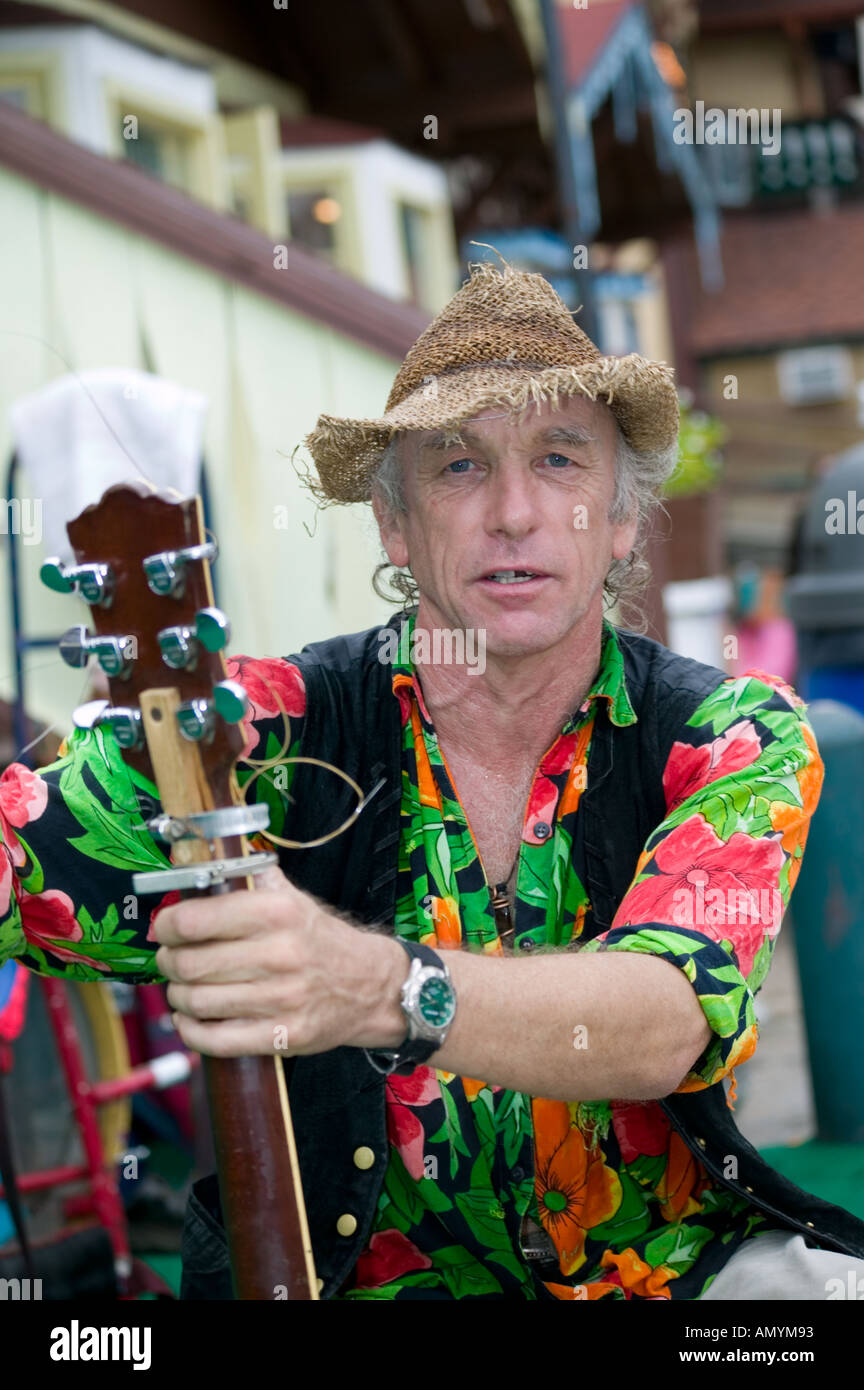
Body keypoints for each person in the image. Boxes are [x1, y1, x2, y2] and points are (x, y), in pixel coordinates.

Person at [2, 262, 863, 1302]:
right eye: (457, 467)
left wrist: (373, 984)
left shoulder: (729, 732)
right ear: (395, 527)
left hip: (668, 1277)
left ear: (622, 520)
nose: (511, 511)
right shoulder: (245, 729)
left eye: (558, 460)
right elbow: (23, 855)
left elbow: (663, 1018)